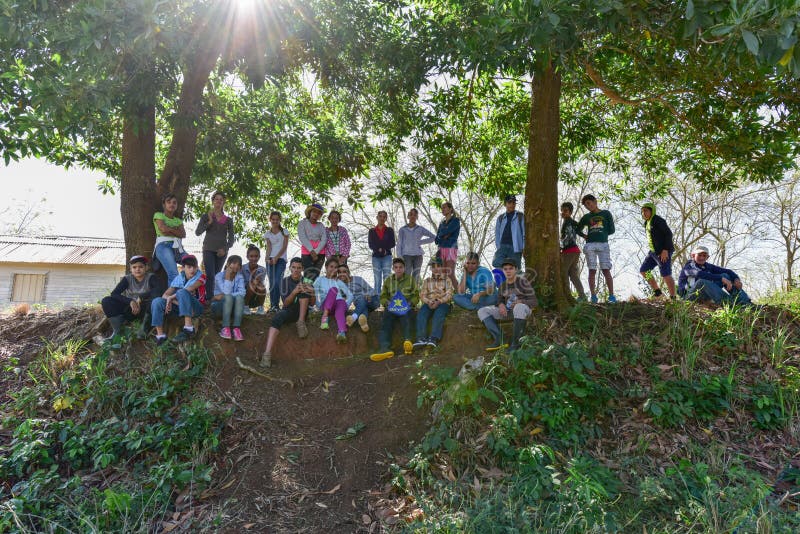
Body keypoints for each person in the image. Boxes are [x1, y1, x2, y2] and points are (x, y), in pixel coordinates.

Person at [260, 258, 316, 367]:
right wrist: (294, 292)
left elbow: (312, 304)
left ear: (302, 269)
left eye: (299, 268)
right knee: (277, 318)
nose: (296, 270)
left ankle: (300, 322)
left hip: (302, 312)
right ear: (290, 268)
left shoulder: (307, 281)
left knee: (303, 291)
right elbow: (285, 304)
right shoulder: (284, 281)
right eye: (294, 267)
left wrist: (313, 293)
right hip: (289, 310)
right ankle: (267, 354)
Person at [100, 255, 162, 346]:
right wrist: (130, 301)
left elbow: (158, 291)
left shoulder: (151, 277)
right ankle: (117, 330)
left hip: (145, 311)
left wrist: (141, 297)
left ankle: (144, 328)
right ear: (130, 269)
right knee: (106, 301)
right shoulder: (127, 279)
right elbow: (114, 294)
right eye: (134, 267)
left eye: (141, 267)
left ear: (146, 267)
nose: (137, 269)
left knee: (154, 301)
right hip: (130, 310)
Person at [477, 258, 538, 351]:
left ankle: (515, 343)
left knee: (519, 307)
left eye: (511, 268)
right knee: (482, 311)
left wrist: (520, 301)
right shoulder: (502, 285)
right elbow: (499, 299)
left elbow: (534, 302)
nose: (508, 271)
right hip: (508, 312)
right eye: (505, 269)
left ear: (516, 269)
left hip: (523, 311)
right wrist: (501, 304)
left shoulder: (523, 282)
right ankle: (500, 339)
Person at [369, 258, 419, 362]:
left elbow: (416, 295)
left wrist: (410, 303)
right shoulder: (388, 280)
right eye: (396, 267)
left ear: (404, 268)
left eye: (400, 267)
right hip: (391, 308)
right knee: (386, 321)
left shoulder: (410, 280)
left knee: (407, 319)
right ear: (393, 269)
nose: (398, 269)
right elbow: (383, 296)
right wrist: (386, 302)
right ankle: (384, 348)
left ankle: (408, 342)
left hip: (406, 307)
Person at [151, 254, 206, 346]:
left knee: (182, 292)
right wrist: (172, 300)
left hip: (197, 307)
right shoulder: (179, 278)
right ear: (183, 268)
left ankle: (189, 328)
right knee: (157, 301)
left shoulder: (201, 277)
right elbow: (165, 295)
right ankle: (160, 336)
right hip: (183, 307)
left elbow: (190, 288)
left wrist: (171, 297)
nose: (192, 270)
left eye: (194, 267)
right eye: (189, 267)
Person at [677, 245, 752, 305]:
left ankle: (745, 302)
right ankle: (729, 303)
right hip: (689, 296)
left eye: (704, 255)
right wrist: (721, 278)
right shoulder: (688, 267)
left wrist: (736, 279)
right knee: (702, 282)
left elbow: (728, 271)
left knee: (725, 275)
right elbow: (699, 274)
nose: (702, 257)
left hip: (704, 295)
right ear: (693, 256)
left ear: (707, 257)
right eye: (699, 255)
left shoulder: (708, 266)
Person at [195, 191, 235, 300]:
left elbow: (231, 239)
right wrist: (210, 222)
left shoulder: (228, 220)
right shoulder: (206, 216)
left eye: (221, 199)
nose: (218, 201)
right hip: (208, 249)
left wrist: (225, 249)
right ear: (212, 201)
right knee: (210, 275)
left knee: (217, 275)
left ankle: (215, 299)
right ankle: (208, 299)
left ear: (224, 202)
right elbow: (198, 232)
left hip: (222, 251)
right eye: (216, 199)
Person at [576, 194, 616, 303]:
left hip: (603, 244)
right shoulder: (586, 217)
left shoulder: (606, 213)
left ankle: (612, 296)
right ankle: (593, 296)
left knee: (606, 269)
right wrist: (584, 236)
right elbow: (577, 229)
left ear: (595, 201)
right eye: (585, 206)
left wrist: (602, 232)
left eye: (589, 203)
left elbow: (612, 230)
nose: (588, 206)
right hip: (590, 245)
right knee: (592, 270)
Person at [414, 257, 454, 349]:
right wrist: (428, 302)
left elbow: (449, 294)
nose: (436, 269)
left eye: (438, 266)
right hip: (429, 303)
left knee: (439, 314)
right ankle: (421, 338)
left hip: (442, 303)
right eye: (433, 267)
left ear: (442, 267)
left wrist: (439, 301)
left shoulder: (446, 280)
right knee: (421, 314)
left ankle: (433, 338)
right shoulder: (427, 281)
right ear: (431, 269)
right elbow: (423, 294)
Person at [640, 202, 676, 299]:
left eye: (646, 211)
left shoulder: (658, 220)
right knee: (644, 270)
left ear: (652, 211)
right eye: (642, 212)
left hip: (663, 251)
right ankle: (658, 292)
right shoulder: (647, 223)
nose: (644, 213)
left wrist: (665, 250)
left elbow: (668, 234)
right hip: (653, 252)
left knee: (666, 274)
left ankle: (673, 297)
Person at [313, 257, 354, 343]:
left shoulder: (338, 281)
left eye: (336, 267)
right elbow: (314, 293)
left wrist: (346, 305)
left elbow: (350, 295)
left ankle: (341, 333)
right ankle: (324, 317)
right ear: (326, 267)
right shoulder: (320, 280)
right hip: (326, 306)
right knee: (333, 290)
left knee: (340, 307)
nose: (333, 269)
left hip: (339, 304)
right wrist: (318, 305)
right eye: (331, 266)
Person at [152, 193, 186, 285]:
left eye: (174, 203)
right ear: (164, 205)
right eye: (169, 202)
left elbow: (183, 234)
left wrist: (169, 229)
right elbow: (163, 230)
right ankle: (172, 298)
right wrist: (175, 230)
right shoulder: (159, 215)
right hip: (163, 245)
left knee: (192, 264)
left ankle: (185, 288)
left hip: (178, 247)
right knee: (173, 273)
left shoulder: (178, 220)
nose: (172, 204)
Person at [210, 255, 247, 341]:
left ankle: (236, 328)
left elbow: (242, 293)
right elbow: (226, 293)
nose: (236, 266)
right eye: (234, 263)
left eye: (239, 265)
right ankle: (225, 328)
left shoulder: (239, 276)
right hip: (218, 306)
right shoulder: (219, 276)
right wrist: (227, 277)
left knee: (240, 298)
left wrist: (228, 295)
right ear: (227, 264)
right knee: (229, 298)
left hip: (231, 308)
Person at [397, 208, 436, 282]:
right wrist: (399, 256)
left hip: (418, 256)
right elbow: (399, 243)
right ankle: (405, 292)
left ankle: (414, 293)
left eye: (415, 215)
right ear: (408, 216)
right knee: (406, 275)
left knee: (416, 276)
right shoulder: (402, 229)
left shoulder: (420, 229)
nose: (413, 216)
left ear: (417, 217)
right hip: (406, 255)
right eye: (411, 214)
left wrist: (420, 242)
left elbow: (433, 237)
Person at [338, 263, 379, 333]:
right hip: (360, 304)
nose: (342, 274)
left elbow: (372, 290)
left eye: (344, 272)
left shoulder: (358, 279)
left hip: (372, 300)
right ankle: (364, 324)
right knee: (363, 308)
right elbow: (342, 299)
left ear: (349, 272)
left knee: (362, 298)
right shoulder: (341, 286)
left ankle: (353, 317)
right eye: (339, 272)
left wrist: (368, 294)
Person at [560, 202, 587, 301]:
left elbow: (569, 236)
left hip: (569, 251)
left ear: (570, 212)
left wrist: (561, 247)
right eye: (562, 211)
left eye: (565, 211)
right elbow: (578, 228)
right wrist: (584, 235)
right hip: (574, 251)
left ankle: (566, 295)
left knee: (563, 272)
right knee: (572, 274)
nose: (563, 212)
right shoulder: (570, 221)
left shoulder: (568, 222)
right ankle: (582, 296)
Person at [263, 211, 289, 310]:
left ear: (280, 220)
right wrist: (267, 258)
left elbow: (284, 247)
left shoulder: (284, 232)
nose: (275, 221)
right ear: (270, 220)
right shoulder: (268, 234)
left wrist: (277, 257)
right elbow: (269, 247)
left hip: (281, 259)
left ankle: (278, 305)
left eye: (277, 219)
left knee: (278, 281)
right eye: (273, 219)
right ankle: (273, 305)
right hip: (270, 260)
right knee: (272, 282)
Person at [368, 210, 396, 296]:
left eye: (384, 217)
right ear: (377, 217)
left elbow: (392, 243)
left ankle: (386, 298)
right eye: (380, 216)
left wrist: (383, 249)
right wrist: (378, 249)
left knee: (387, 277)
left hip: (387, 256)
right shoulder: (372, 231)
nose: (382, 218)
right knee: (377, 278)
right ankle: (377, 299)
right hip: (376, 257)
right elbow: (371, 244)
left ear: (386, 218)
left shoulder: (389, 230)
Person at [493, 194, 525, 269]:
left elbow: (524, 233)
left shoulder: (520, 216)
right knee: (496, 262)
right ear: (505, 204)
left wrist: (523, 247)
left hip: (515, 247)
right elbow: (497, 234)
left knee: (516, 268)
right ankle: (506, 275)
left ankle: (517, 279)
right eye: (509, 202)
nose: (512, 205)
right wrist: (499, 247)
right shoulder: (500, 218)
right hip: (503, 246)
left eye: (514, 203)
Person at [298, 203, 327, 280]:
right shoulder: (302, 223)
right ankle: (306, 291)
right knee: (308, 275)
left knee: (316, 275)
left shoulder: (321, 226)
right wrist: (311, 251)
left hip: (320, 253)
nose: (316, 214)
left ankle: (314, 291)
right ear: (310, 212)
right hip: (306, 252)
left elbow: (324, 239)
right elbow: (302, 237)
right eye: (314, 211)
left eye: (319, 213)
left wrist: (316, 252)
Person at [435, 201, 461, 288]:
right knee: (442, 274)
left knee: (450, 273)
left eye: (444, 207)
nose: (442, 210)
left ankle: (460, 295)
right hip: (440, 249)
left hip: (451, 248)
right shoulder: (441, 223)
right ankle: (444, 297)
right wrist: (443, 235)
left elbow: (448, 231)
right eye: (441, 208)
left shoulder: (455, 220)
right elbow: (436, 239)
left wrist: (443, 233)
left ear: (450, 209)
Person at [242, 245, 267, 314]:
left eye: (256, 256)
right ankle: (245, 307)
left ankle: (260, 308)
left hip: (255, 296)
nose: (254, 258)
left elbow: (260, 286)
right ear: (247, 257)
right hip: (244, 296)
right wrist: (252, 282)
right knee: (252, 284)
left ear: (259, 257)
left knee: (260, 286)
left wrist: (257, 281)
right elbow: (241, 285)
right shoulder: (242, 268)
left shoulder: (262, 269)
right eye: (251, 256)